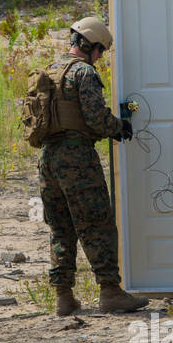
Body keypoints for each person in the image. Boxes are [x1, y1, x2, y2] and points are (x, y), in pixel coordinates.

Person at [39, 17, 146, 315]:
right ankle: (110, 292)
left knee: (60, 228)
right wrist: (119, 126)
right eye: (100, 51)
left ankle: (64, 297)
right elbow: (96, 118)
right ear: (89, 45)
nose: (100, 57)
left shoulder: (51, 70)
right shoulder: (84, 73)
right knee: (96, 224)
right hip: (77, 159)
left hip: (48, 160)